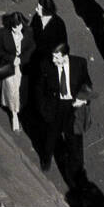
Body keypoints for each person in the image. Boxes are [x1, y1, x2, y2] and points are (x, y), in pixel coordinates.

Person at [36, 40, 92, 187]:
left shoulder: (79, 64)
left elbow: (87, 84)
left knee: (75, 143)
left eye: (57, 57)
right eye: (53, 57)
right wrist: (44, 110)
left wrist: (83, 100)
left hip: (73, 108)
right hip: (54, 107)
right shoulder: (46, 65)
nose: (54, 60)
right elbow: (39, 89)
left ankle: (76, 177)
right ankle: (46, 159)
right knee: (51, 138)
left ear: (65, 56)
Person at [0, 11, 31, 131]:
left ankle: (20, 110)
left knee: (22, 90)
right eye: (13, 27)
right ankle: (14, 115)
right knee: (12, 91)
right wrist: (12, 58)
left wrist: (22, 59)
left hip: (23, 68)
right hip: (9, 68)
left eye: (18, 26)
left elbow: (31, 48)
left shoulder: (28, 33)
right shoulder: (2, 33)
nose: (16, 29)